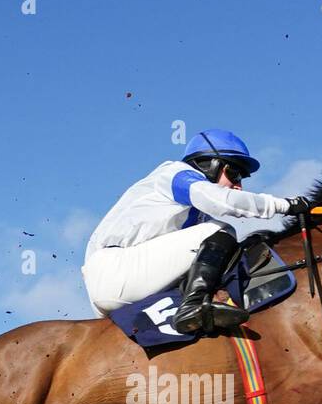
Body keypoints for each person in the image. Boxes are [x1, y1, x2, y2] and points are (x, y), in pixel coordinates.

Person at [81, 129, 309, 334]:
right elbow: (223, 201)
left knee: (220, 243)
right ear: (209, 165)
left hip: (122, 280)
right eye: (235, 174)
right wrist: (285, 205)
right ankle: (193, 307)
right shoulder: (175, 173)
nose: (239, 185)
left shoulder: (194, 215)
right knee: (221, 230)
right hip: (114, 271)